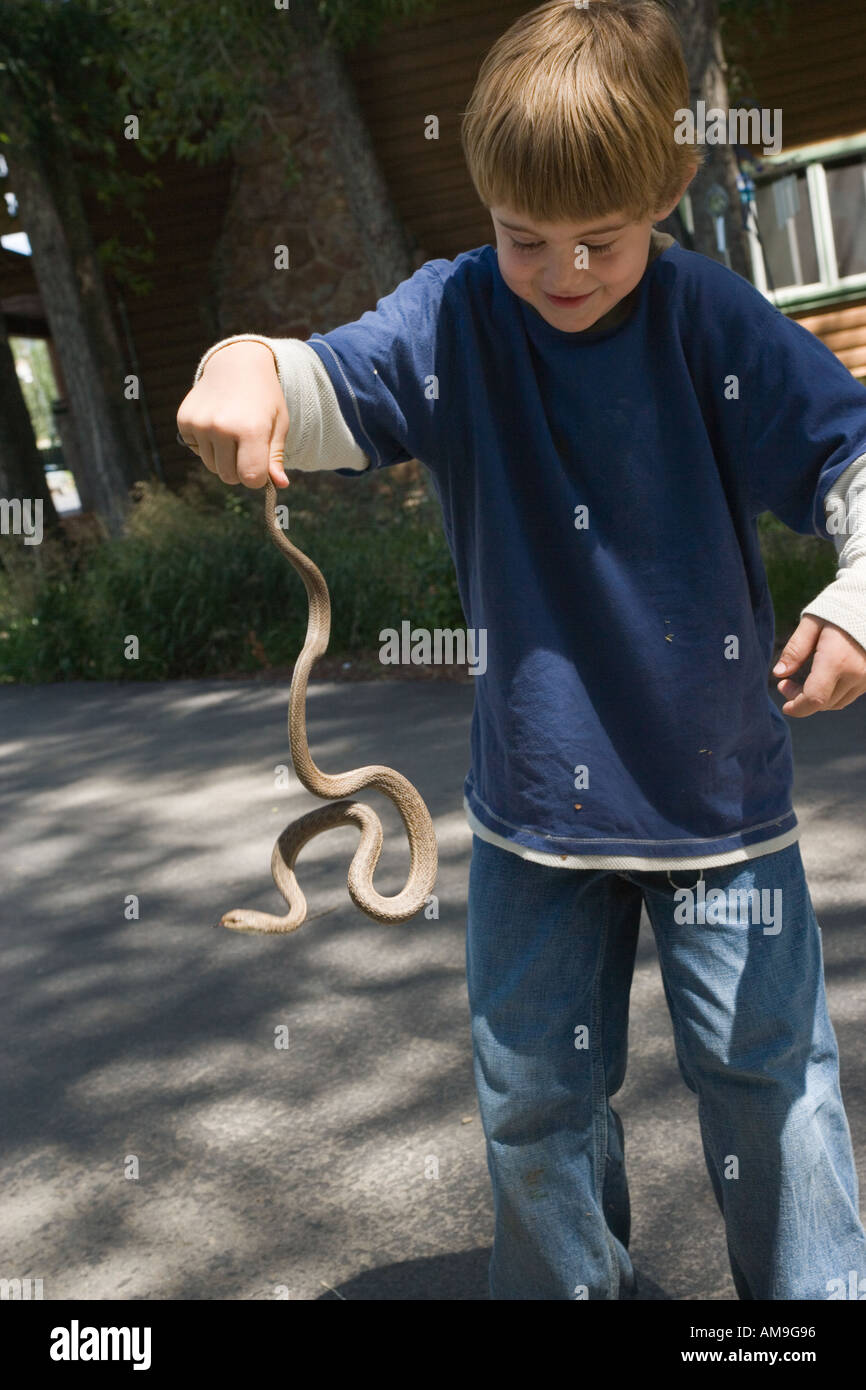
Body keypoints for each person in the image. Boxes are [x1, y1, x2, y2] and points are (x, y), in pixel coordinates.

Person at [177, 0, 866, 1299]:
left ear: (666, 189)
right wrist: (242, 362)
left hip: (717, 806)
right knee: (534, 1100)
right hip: (533, 819)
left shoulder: (710, 322)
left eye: (597, 241)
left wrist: (856, 595)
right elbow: (318, 380)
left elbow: (854, 451)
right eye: (519, 236)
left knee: (768, 1089)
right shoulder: (452, 320)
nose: (556, 270)